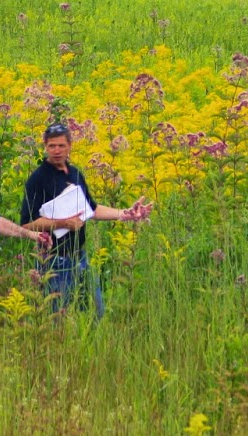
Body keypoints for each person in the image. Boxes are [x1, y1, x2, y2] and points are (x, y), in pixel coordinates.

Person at [20, 122, 151, 319]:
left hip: (80, 257)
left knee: (95, 313)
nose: (56, 151)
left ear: (70, 146)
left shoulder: (75, 174)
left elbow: (92, 209)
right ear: (45, 146)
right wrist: (63, 223)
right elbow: (27, 224)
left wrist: (125, 214)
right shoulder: (38, 179)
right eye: (52, 146)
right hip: (53, 261)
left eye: (61, 146)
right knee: (59, 320)